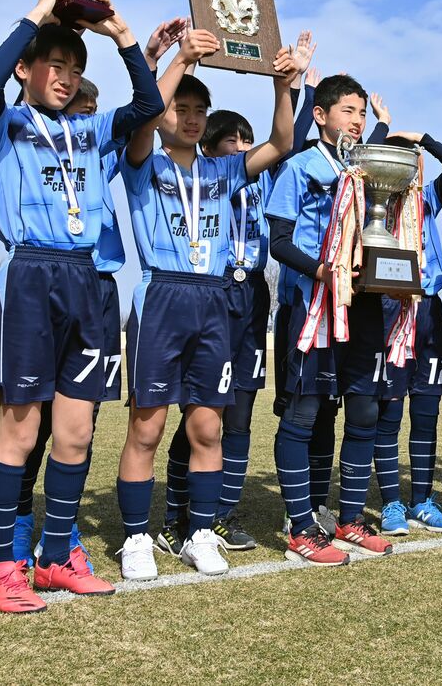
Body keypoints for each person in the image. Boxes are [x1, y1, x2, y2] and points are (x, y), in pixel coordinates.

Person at [0, 0, 163, 613]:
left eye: (75, 68)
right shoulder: (4, 125)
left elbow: (145, 106)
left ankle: (55, 557)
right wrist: (40, 13)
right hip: (31, 275)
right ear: (28, 68)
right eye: (55, 64)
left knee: (76, 434)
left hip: (87, 280)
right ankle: (2, 567)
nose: (66, 76)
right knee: (21, 432)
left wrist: (122, 37)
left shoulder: (91, 128)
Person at [116, 30, 296, 579]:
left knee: (207, 428)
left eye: (199, 111)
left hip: (216, 301)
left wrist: (284, 85)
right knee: (146, 427)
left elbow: (281, 143)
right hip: (162, 295)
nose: (190, 119)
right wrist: (180, 59)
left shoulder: (222, 170)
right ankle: (136, 538)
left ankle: (199, 532)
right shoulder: (143, 159)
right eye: (180, 108)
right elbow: (145, 111)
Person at [11, 22, 189, 571]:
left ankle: (59, 535)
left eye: (90, 111)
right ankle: (19, 530)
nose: (83, 122)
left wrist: (155, 59)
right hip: (45, 280)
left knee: (78, 422)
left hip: (97, 287)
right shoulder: (26, 136)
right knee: (31, 423)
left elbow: (140, 116)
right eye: (77, 112)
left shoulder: (101, 152)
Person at [158, 32, 315, 554]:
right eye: (233, 142)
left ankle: (221, 511)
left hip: (253, 299)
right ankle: (176, 509)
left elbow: (288, 139)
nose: (243, 150)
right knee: (202, 409)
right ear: (209, 149)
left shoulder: (263, 181)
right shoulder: (207, 179)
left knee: (240, 408)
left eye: (247, 143)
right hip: (212, 292)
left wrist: (295, 84)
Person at [268, 75, 397, 565]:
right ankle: (301, 526)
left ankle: (348, 519)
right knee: (304, 416)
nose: (358, 120)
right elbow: (279, 243)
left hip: (362, 305)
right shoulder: (299, 166)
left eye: (362, 113)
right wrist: (328, 271)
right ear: (320, 115)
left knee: (364, 412)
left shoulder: (370, 170)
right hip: (314, 306)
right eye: (348, 110)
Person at [371, 120, 442, 537]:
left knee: (426, 414)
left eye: (406, 161)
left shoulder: (426, 196)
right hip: (384, 311)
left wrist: (422, 141)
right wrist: (379, 132)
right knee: (388, 413)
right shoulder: (366, 198)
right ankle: (392, 502)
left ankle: (423, 500)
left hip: (427, 311)